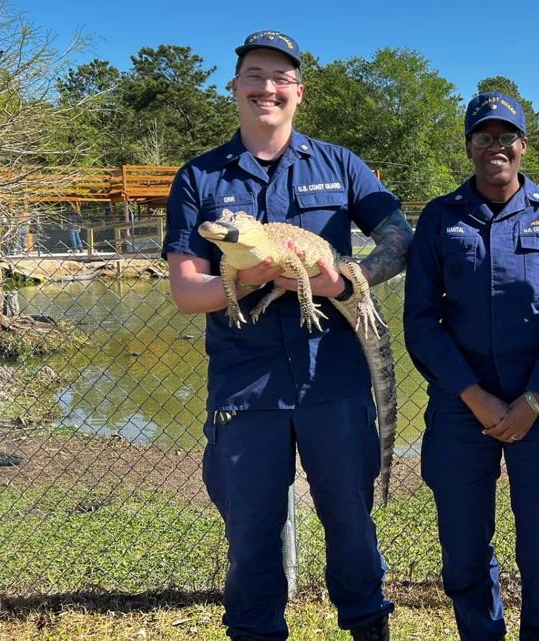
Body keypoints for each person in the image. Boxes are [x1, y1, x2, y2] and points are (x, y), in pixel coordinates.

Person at [163, 30, 412, 641]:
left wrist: (347, 280)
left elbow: (399, 238)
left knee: (351, 525)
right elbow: (187, 292)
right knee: (252, 535)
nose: (267, 89)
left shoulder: (341, 165)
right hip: (246, 387)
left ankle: (368, 627)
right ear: (235, 88)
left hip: (335, 377)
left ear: (299, 92)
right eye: (254, 76)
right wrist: (252, 277)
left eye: (281, 79)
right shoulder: (198, 178)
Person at [404, 91, 539, 641]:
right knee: (463, 547)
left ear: (523, 145)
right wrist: (473, 395)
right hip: (461, 407)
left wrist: (535, 399)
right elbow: (422, 322)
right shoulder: (440, 217)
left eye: (506, 136)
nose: (496, 146)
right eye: (483, 137)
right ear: (468, 147)